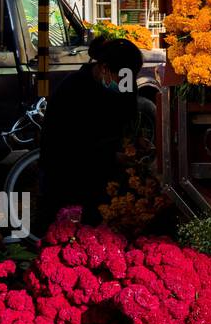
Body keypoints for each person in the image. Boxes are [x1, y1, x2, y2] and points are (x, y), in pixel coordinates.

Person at [34, 36, 145, 235]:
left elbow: (129, 120)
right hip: (67, 173)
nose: (126, 83)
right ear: (103, 68)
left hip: (105, 176)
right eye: (121, 77)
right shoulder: (73, 89)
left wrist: (136, 142)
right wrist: (112, 155)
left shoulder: (125, 83)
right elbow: (69, 145)